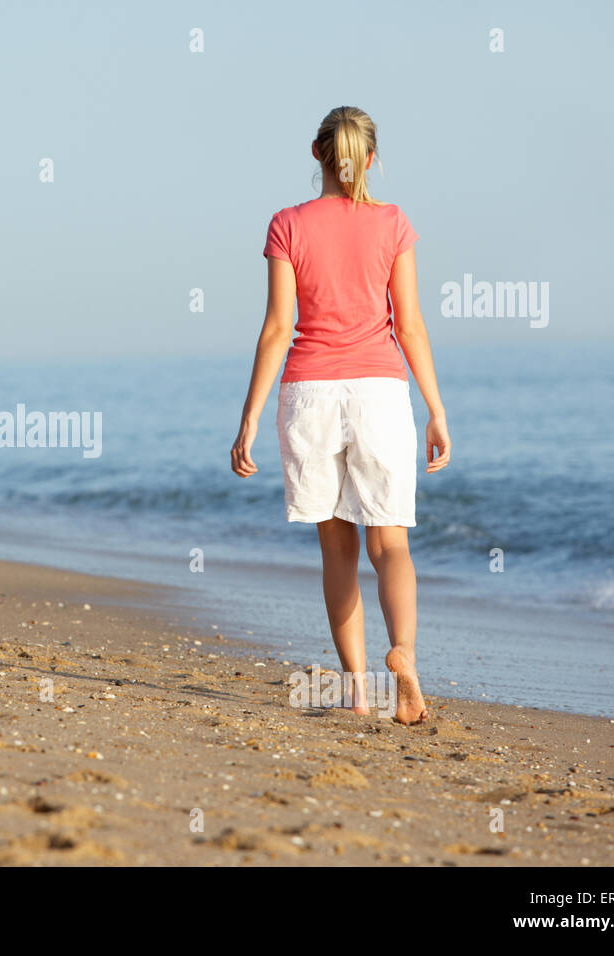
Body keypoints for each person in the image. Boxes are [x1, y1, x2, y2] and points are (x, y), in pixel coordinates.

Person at [230, 105, 451, 724]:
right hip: (380, 391)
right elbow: (408, 323)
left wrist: (249, 416)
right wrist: (435, 408)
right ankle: (402, 655)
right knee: (391, 546)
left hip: (310, 395)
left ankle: (358, 692)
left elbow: (277, 328)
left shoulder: (287, 225)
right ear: (371, 158)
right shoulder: (392, 224)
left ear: (316, 152)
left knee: (338, 550)